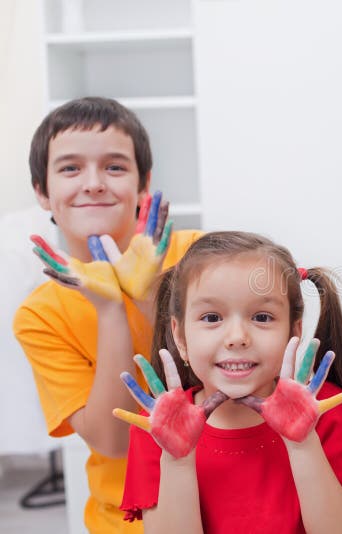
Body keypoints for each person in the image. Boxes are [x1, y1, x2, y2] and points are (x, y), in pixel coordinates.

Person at [13, 97, 202, 533]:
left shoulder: (199, 255)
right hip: (131, 518)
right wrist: (111, 310)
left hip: (229, 501)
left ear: (143, 184)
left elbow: (226, 380)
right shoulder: (40, 315)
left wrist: (149, 295)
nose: (94, 183)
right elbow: (115, 443)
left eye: (115, 167)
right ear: (42, 191)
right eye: (70, 169)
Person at [118, 231, 342, 533]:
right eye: (212, 318)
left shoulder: (323, 410)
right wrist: (177, 462)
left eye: (262, 317)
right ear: (180, 336)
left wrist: (304, 445)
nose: (237, 337)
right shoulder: (158, 427)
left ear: (294, 332)